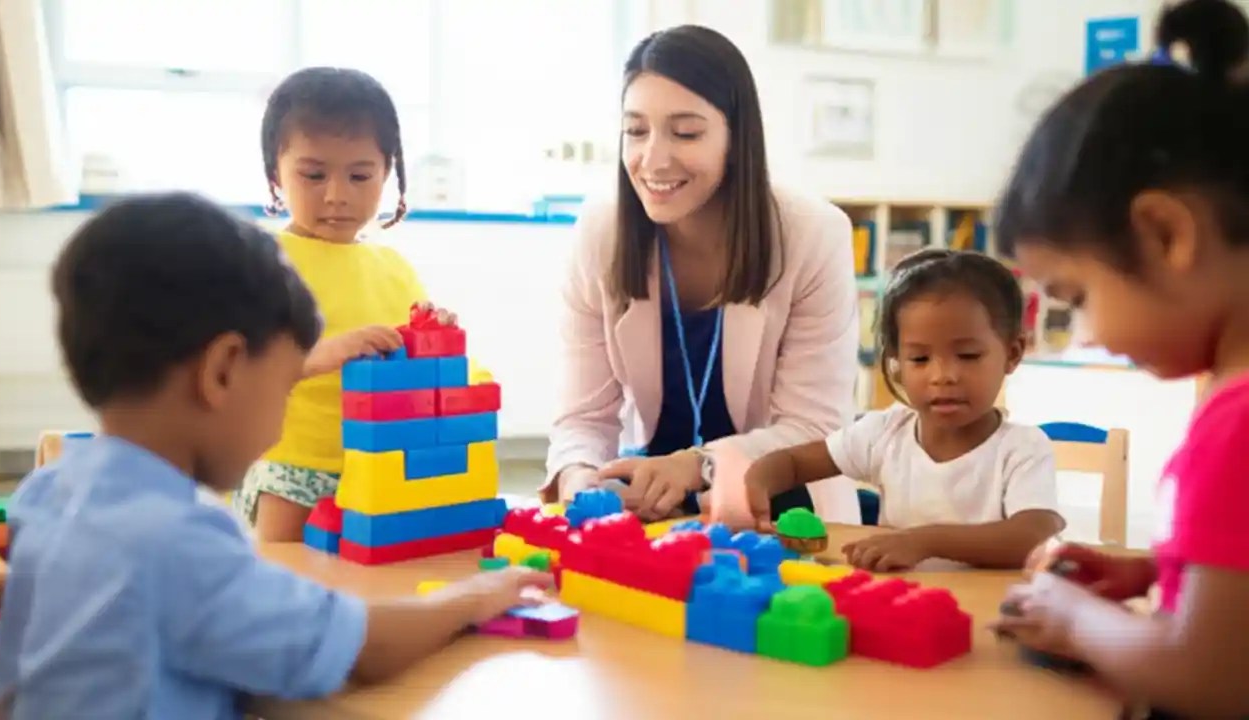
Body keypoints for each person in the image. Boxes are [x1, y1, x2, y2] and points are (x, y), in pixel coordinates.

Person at [0, 193, 551, 718]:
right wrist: (472, 598)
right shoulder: (181, 541)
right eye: (284, 387)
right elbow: (365, 649)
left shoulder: (48, 490)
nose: (281, 414)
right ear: (224, 371)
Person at [989, 1, 1249, 716]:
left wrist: (1074, 620)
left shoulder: (1238, 421)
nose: (1088, 336)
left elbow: (1212, 677)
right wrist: (1152, 573)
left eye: (1075, 297)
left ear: (1165, 235)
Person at [543, 25, 861, 527]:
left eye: (686, 132)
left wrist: (699, 464)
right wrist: (580, 476)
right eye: (636, 130)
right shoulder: (602, 233)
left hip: (781, 508)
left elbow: (814, 426)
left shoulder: (813, 234)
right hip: (652, 510)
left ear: (736, 138)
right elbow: (583, 417)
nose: (653, 159)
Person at [233, 66, 485, 541]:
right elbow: (238, 368)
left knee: (376, 575)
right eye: (313, 174)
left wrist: (433, 331)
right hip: (292, 465)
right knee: (283, 577)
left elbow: (412, 359)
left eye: (359, 175)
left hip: (382, 466)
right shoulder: (263, 259)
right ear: (275, 174)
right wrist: (316, 356)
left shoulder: (393, 266)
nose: (336, 195)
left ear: (387, 172)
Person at [744, 249, 1064, 571]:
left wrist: (924, 541)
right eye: (920, 359)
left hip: (983, 613)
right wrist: (758, 482)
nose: (942, 376)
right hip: (900, 605)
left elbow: (1034, 536)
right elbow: (793, 464)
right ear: (898, 363)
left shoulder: (1022, 448)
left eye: (967, 355)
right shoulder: (885, 433)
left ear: (1012, 353)